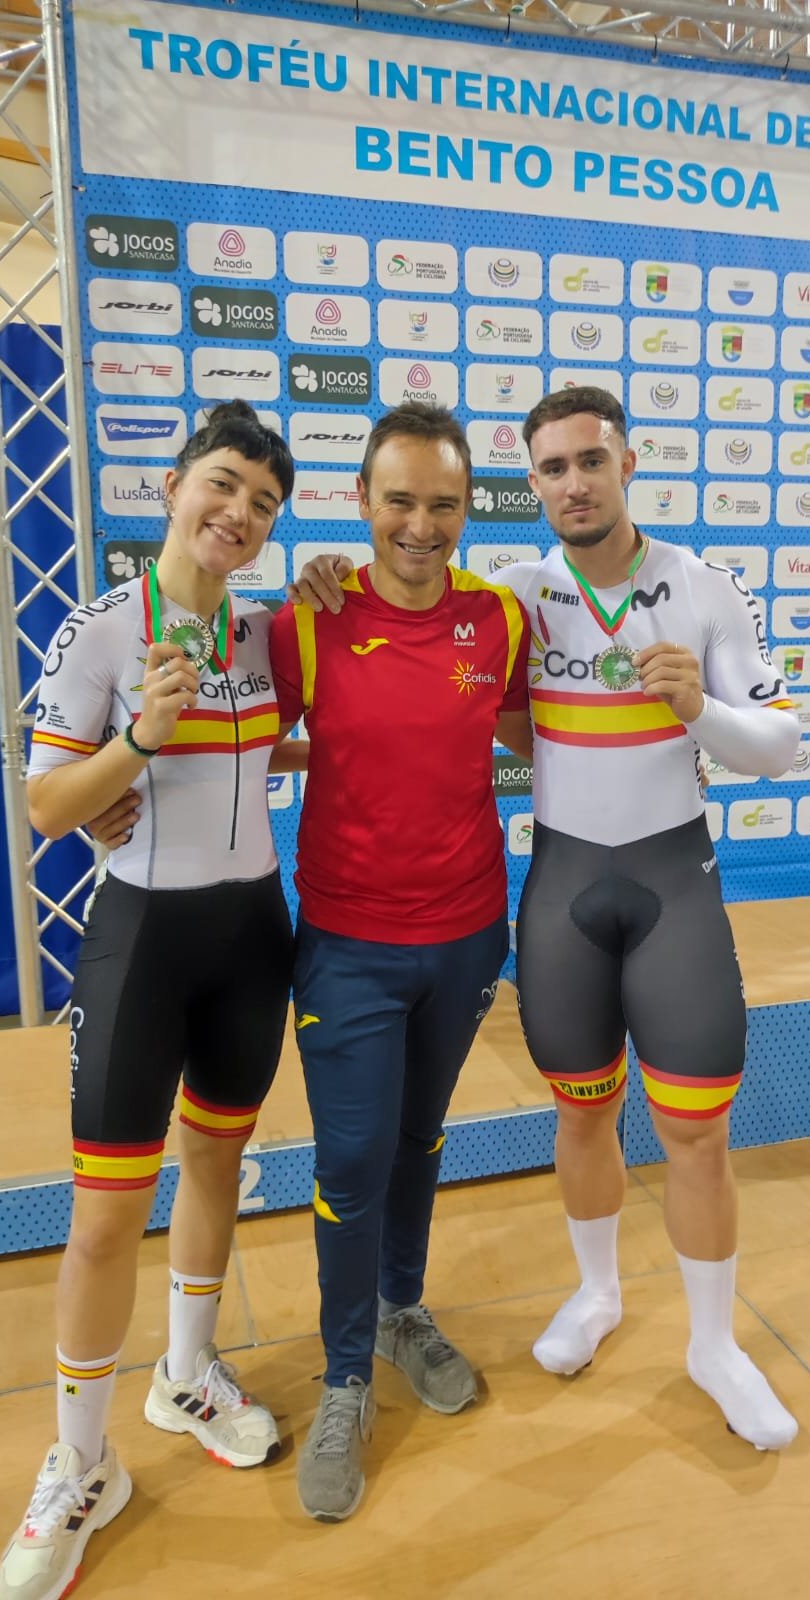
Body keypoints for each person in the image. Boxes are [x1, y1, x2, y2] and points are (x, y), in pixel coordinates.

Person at [294, 386, 802, 1453]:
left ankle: (714, 1343)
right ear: (528, 484)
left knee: (696, 1128)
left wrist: (699, 711)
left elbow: (783, 744)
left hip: (673, 885)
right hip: (565, 887)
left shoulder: (706, 587)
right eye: (552, 469)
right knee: (580, 1110)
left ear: (627, 465)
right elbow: (410, 626)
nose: (574, 483)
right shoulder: (513, 595)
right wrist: (322, 576)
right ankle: (599, 1292)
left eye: (591, 462)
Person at [0, 402, 298, 1600]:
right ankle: (79, 1462)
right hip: (142, 942)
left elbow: (296, 739)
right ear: (174, 484)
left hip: (251, 935)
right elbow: (45, 807)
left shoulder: (270, 634)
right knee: (105, 1215)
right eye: (221, 485)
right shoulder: (102, 626)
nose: (237, 514)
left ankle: (185, 1374)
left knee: (218, 1164)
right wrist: (136, 741)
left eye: (263, 503)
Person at [270, 402, 531, 1522]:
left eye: (442, 504)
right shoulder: (309, 621)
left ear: (469, 508)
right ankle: (341, 1377)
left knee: (421, 1137)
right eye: (398, 501)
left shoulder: (504, 620)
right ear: (361, 502)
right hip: (348, 943)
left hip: (469, 931)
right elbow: (238, 740)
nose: (419, 526)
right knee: (353, 1154)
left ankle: (400, 1307)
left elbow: (550, 728)